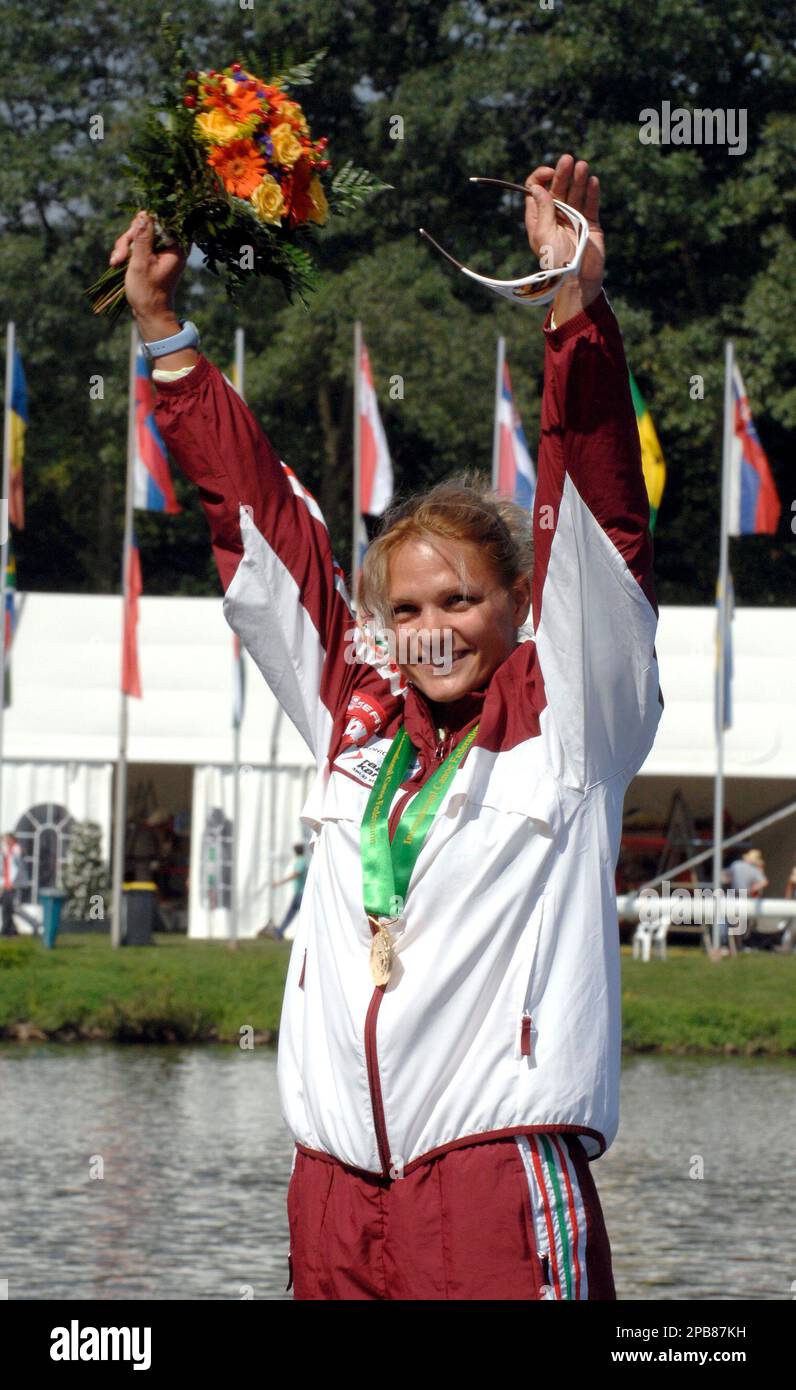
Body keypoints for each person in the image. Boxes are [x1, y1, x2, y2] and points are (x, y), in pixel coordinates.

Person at [110, 152, 662, 1300]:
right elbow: (256, 518)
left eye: (460, 600)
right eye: (402, 608)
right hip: (332, 1191)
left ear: (517, 604)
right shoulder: (349, 714)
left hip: (492, 1183)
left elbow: (598, 518)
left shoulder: (569, 717)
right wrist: (164, 331)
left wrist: (571, 308)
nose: (431, 629)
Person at [267, 842, 308, 939]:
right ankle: (279, 932)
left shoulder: (301, 861)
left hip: (301, 893)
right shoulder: (302, 860)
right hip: (299, 892)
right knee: (292, 913)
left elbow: (296, 874)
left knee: (293, 913)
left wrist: (279, 882)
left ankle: (280, 931)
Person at [0, 833, 22, 937]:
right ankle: (11, 930)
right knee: (7, 908)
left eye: (7, 839)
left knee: (8, 908)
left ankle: (6, 931)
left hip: (10, 885)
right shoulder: (7, 852)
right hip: (6, 884)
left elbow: (16, 869)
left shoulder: (15, 851)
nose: (5, 841)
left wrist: (13, 883)